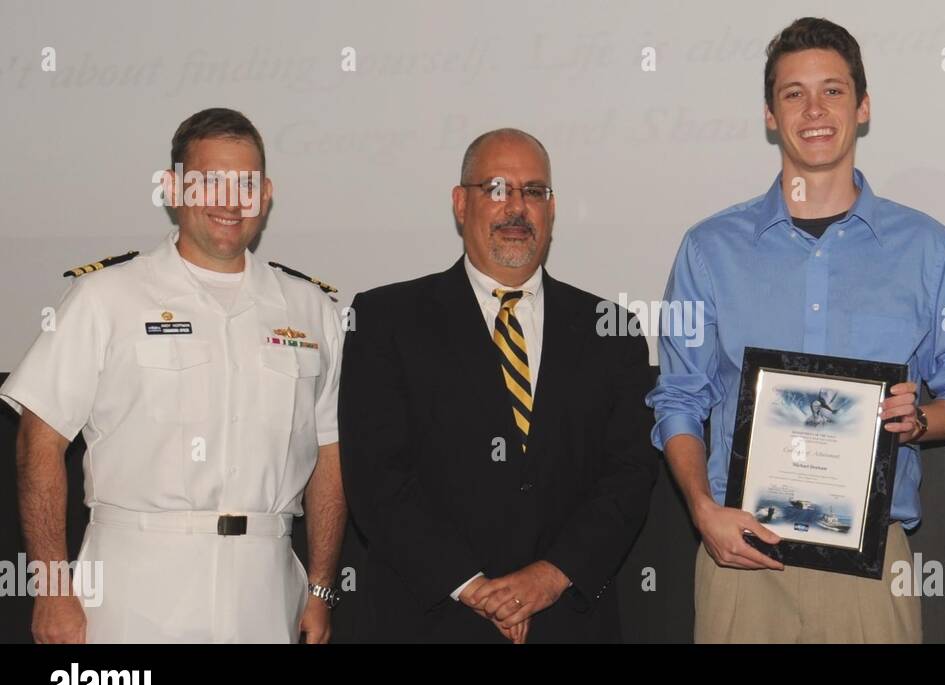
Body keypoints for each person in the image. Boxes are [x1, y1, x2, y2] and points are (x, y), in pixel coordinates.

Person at [646, 17, 945, 643]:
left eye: (833, 90)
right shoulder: (708, 250)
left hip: (869, 561)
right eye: (793, 93)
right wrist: (702, 511)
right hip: (741, 553)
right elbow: (678, 398)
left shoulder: (927, 248)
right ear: (768, 114)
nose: (814, 109)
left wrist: (922, 420)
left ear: (862, 108)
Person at [2, 107, 347, 643]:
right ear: (172, 189)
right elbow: (38, 443)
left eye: (246, 184)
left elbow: (332, 454)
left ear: (267, 193)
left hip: (266, 588)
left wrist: (321, 589)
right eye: (210, 182)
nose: (231, 202)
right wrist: (51, 587)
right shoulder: (105, 298)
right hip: (130, 588)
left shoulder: (310, 309)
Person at [339, 128, 658, 643]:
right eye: (496, 189)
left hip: (567, 622)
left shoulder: (610, 328)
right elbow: (377, 480)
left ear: (551, 210)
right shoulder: (385, 320)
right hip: (429, 622)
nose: (516, 208)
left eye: (533, 192)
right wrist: (470, 587)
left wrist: (549, 577)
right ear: (460, 204)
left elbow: (629, 475)